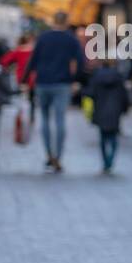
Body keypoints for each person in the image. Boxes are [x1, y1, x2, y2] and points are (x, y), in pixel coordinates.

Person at [25, 12, 83, 172]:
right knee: (60, 120)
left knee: (44, 118)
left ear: (53, 21)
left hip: (42, 82)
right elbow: (80, 60)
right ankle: (58, 156)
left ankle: (48, 154)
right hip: (62, 83)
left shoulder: (43, 38)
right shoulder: (71, 39)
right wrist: (76, 80)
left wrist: (25, 80)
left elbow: (33, 60)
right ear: (66, 22)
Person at [84, 55, 129, 174]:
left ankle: (105, 162)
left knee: (103, 137)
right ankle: (110, 160)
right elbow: (124, 95)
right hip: (115, 110)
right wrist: (124, 109)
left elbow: (90, 93)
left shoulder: (96, 77)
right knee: (113, 137)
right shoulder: (118, 77)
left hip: (100, 109)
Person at [1, 33, 35, 123]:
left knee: (20, 96)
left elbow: (5, 61)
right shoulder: (33, 51)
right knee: (32, 98)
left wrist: (10, 68)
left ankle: (20, 115)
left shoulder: (18, 50)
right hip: (32, 77)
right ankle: (32, 115)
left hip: (21, 77)